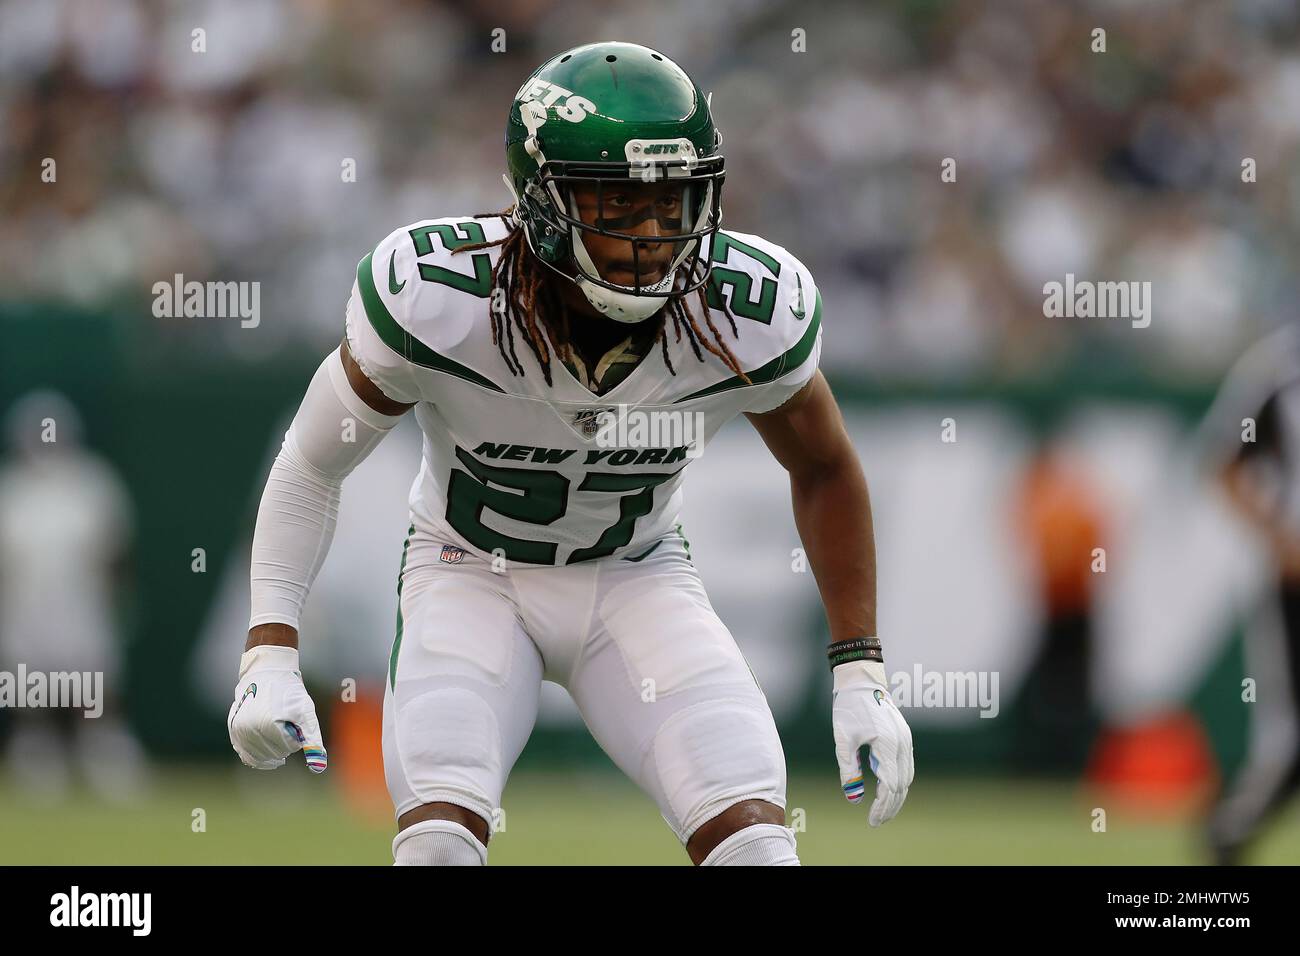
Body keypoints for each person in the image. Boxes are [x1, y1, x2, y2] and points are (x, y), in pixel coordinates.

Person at [227, 42, 913, 866]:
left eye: (673, 202)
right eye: (620, 205)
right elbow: (311, 463)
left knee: (761, 851)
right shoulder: (438, 300)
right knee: (438, 847)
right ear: (544, 202)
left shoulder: (746, 310)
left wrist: (859, 667)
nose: (655, 234)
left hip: (639, 573)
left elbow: (824, 464)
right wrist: (268, 649)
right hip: (468, 568)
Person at [1201, 323, 1300, 864]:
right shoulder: (1280, 368)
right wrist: (1278, 538)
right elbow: (1223, 464)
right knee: (1290, 742)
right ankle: (1227, 838)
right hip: (1294, 585)